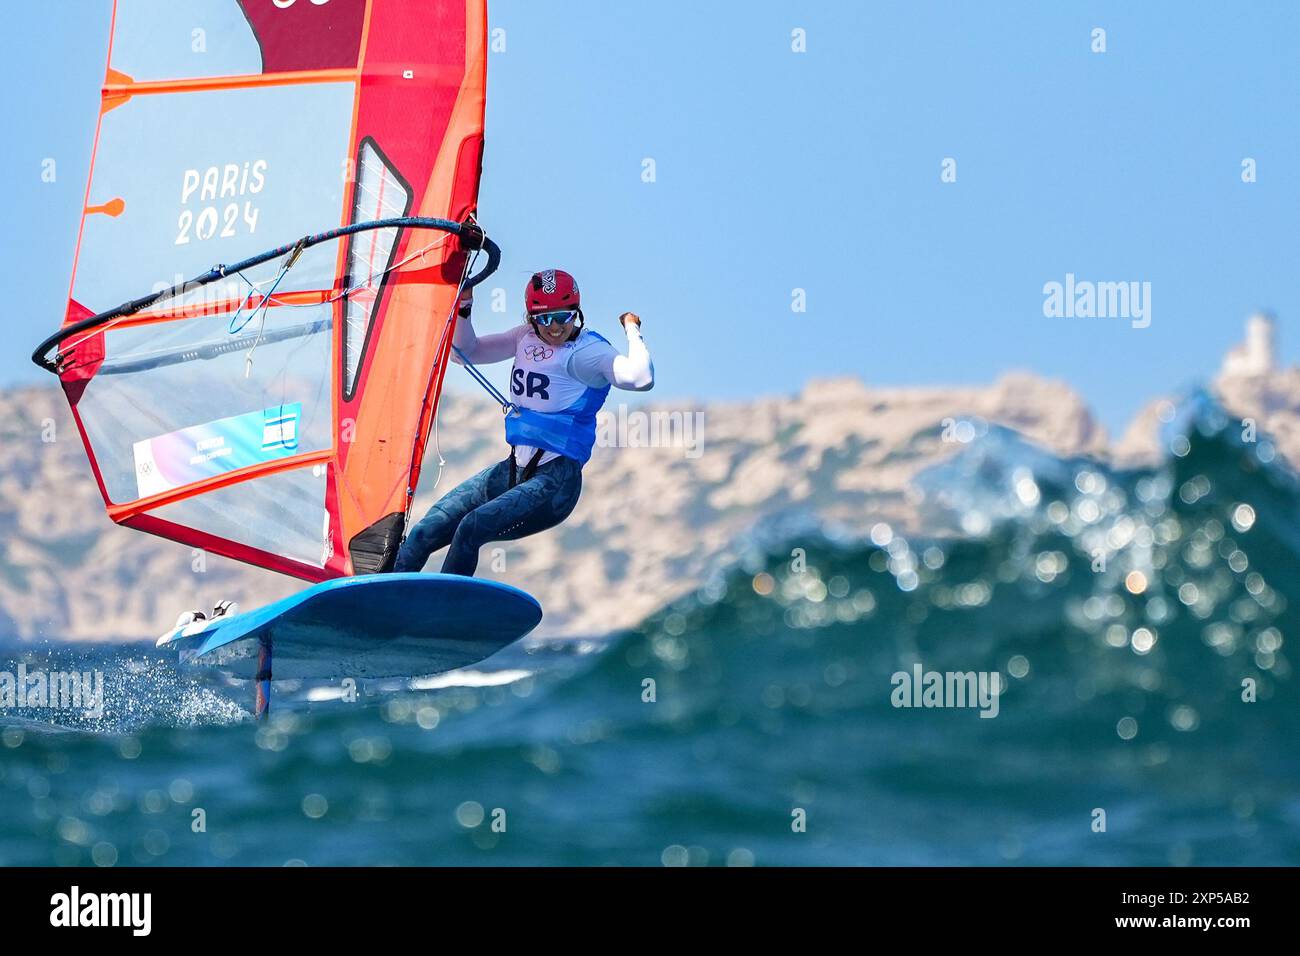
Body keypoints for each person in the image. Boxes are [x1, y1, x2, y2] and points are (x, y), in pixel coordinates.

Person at [394, 268, 654, 576]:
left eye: (564, 316)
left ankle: (444, 615)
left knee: (471, 528)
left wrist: (631, 329)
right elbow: (465, 351)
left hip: (556, 483)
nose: (555, 327)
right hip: (513, 470)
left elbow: (641, 378)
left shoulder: (587, 353)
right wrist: (463, 305)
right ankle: (378, 600)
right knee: (426, 530)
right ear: (531, 318)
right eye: (544, 319)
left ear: (577, 313)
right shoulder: (524, 339)